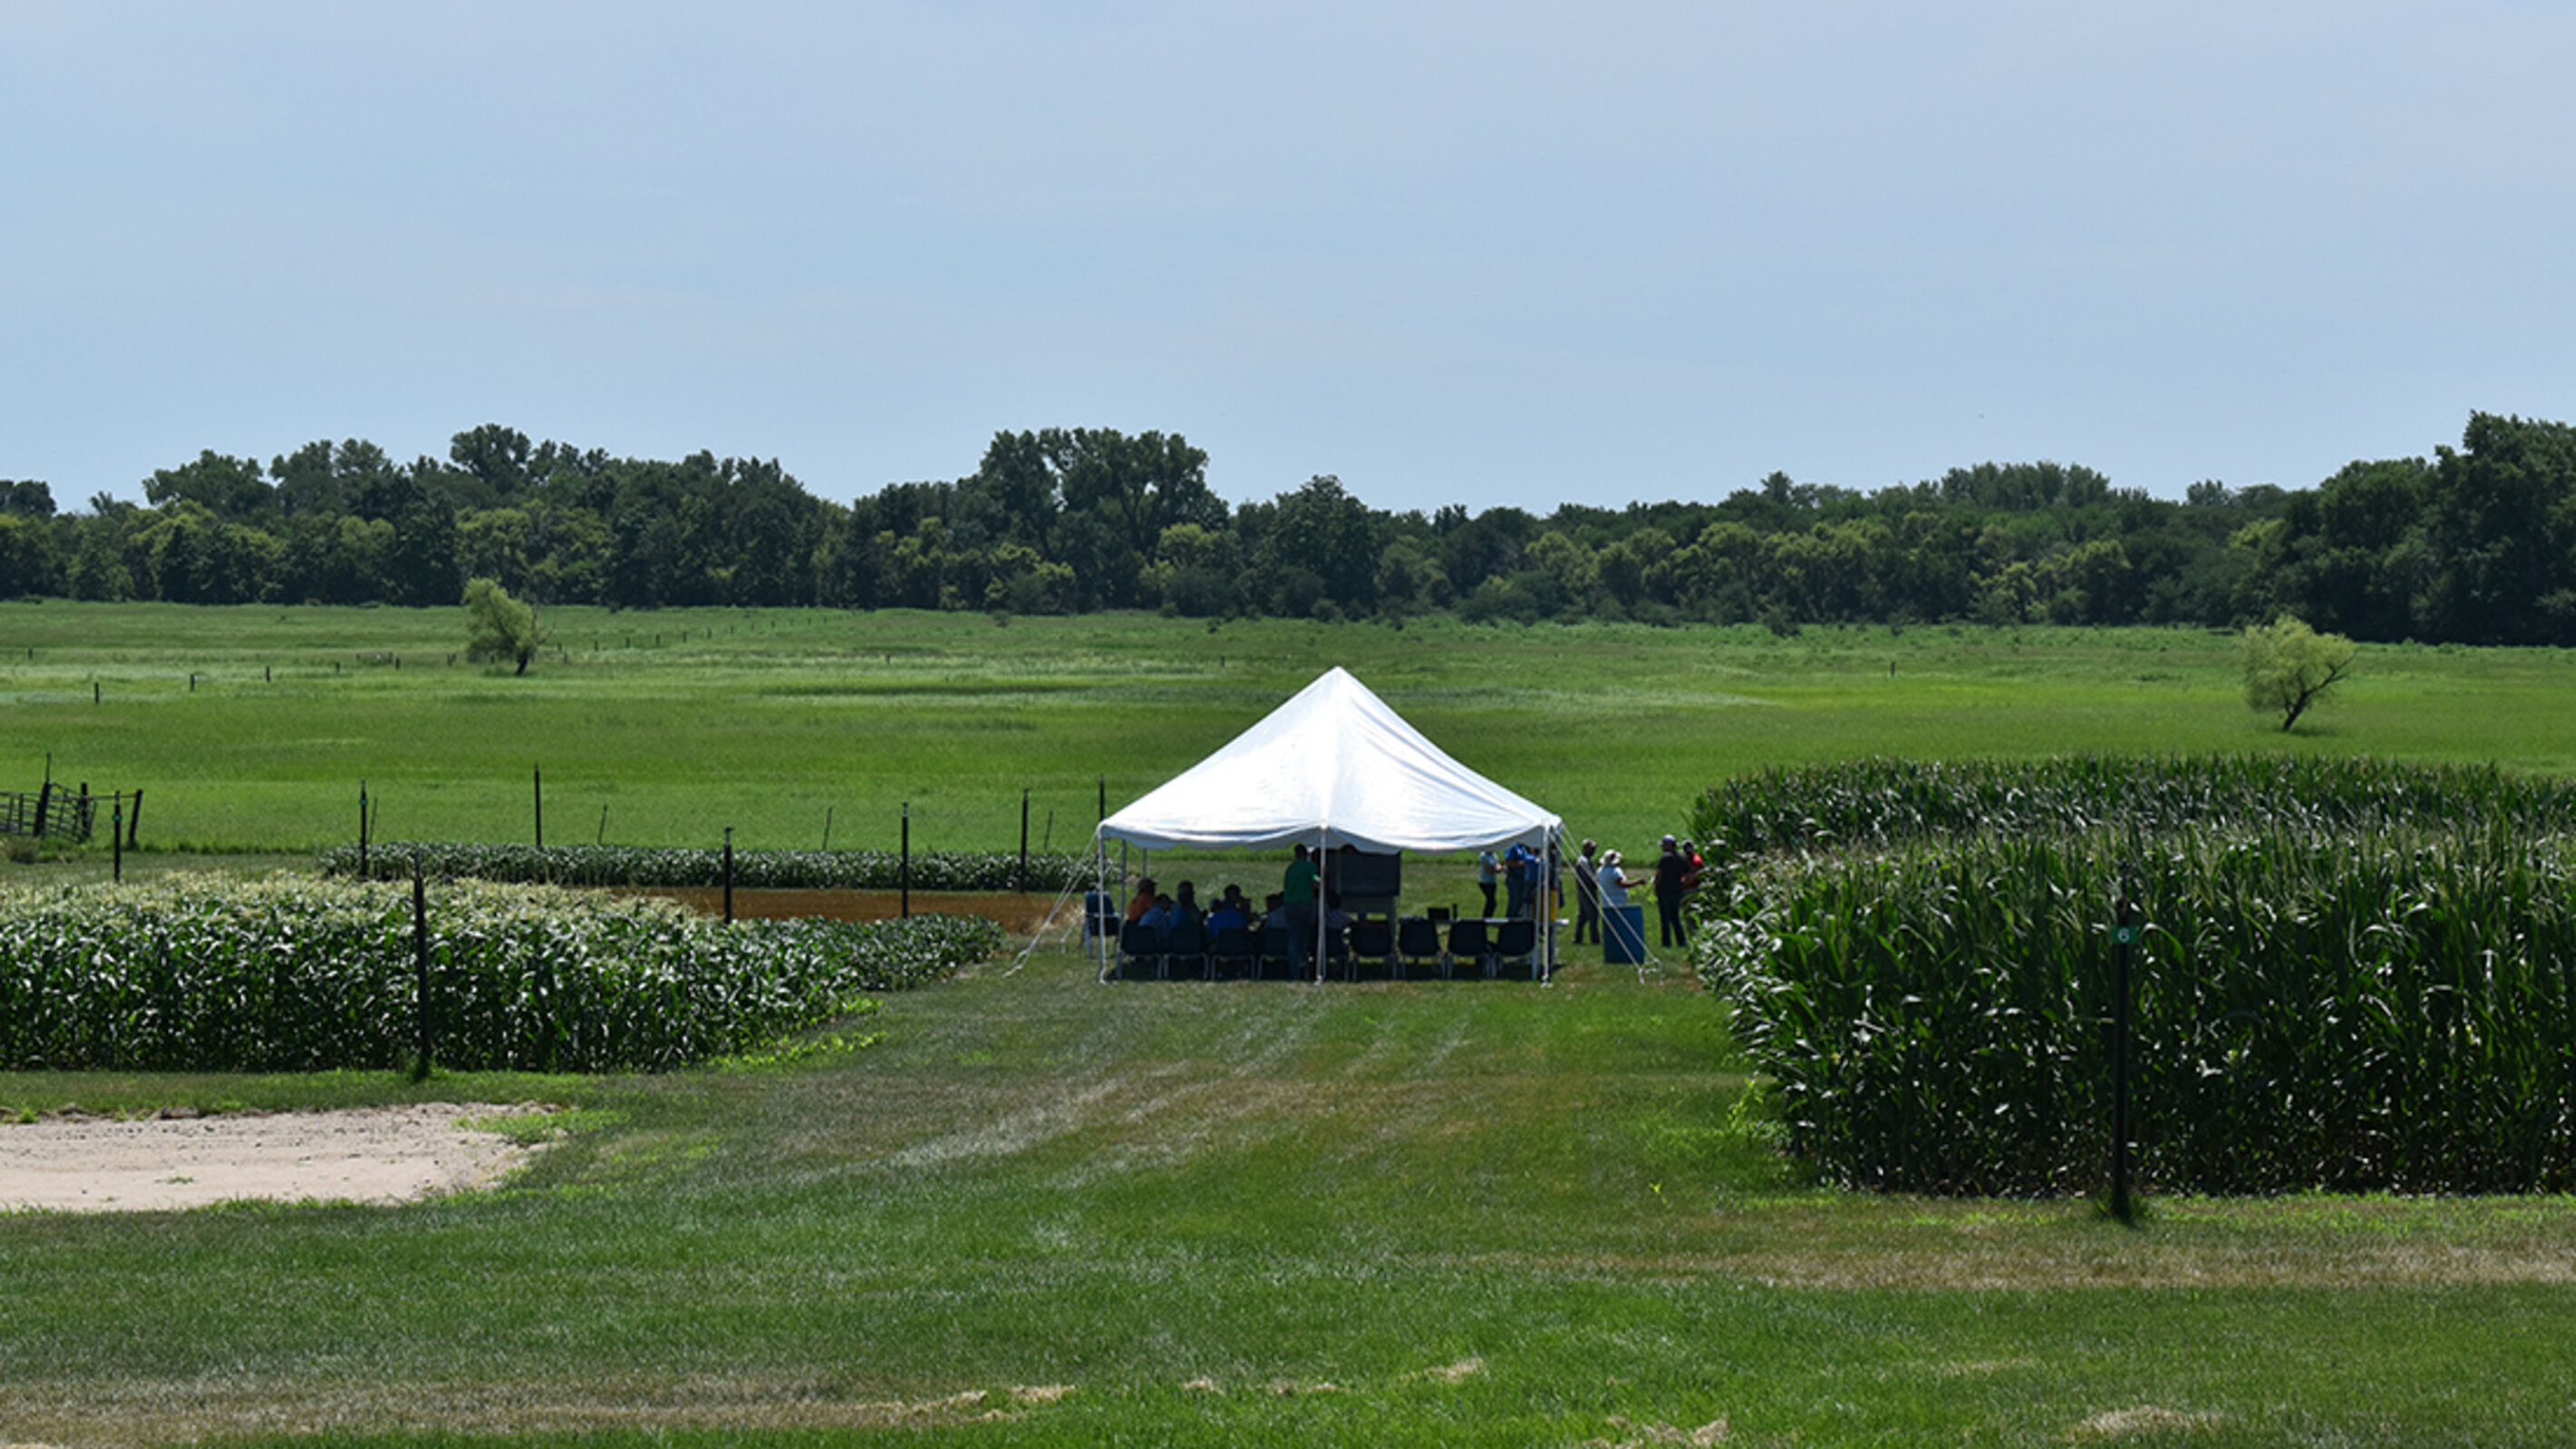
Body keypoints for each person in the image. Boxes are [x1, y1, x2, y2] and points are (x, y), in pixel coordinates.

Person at [1283, 843, 1322, 981]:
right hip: (1305, 904)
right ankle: (1304, 967)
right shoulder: (1311, 867)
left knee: (1292, 940)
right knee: (1305, 938)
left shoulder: (1291, 868)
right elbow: (1316, 882)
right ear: (1307, 854)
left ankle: (1294, 973)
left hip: (1290, 904)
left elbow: (1286, 887)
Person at [1652, 834, 1691, 948]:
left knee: (1665, 918)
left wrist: (1655, 885)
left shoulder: (1665, 857)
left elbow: (1659, 873)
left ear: (1668, 845)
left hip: (1664, 890)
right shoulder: (1682, 858)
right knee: (1675, 918)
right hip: (1677, 890)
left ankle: (1666, 942)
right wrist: (1683, 884)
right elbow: (1689, 874)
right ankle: (1681, 941)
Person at [1572, 838, 1602, 944]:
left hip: (1584, 891)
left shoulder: (1585, 860)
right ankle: (1595, 939)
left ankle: (1577, 938)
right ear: (1585, 849)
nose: (1594, 851)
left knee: (1583, 916)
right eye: (1592, 849)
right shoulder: (1583, 862)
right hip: (1587, 891)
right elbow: (1587, 878)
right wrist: (1595, 883)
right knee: (1593, 915)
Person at [1475, 846, 1499, 916]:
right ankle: (1486, 918)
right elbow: (1488, 870)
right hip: (1485, 882)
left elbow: (1498, 865)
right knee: (1491, 901)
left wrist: (1497, 869)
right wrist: (1497, 870)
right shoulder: (1483, 856)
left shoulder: (1494, 855)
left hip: (1493, 882)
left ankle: (1488, 917)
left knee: (1491, 902)